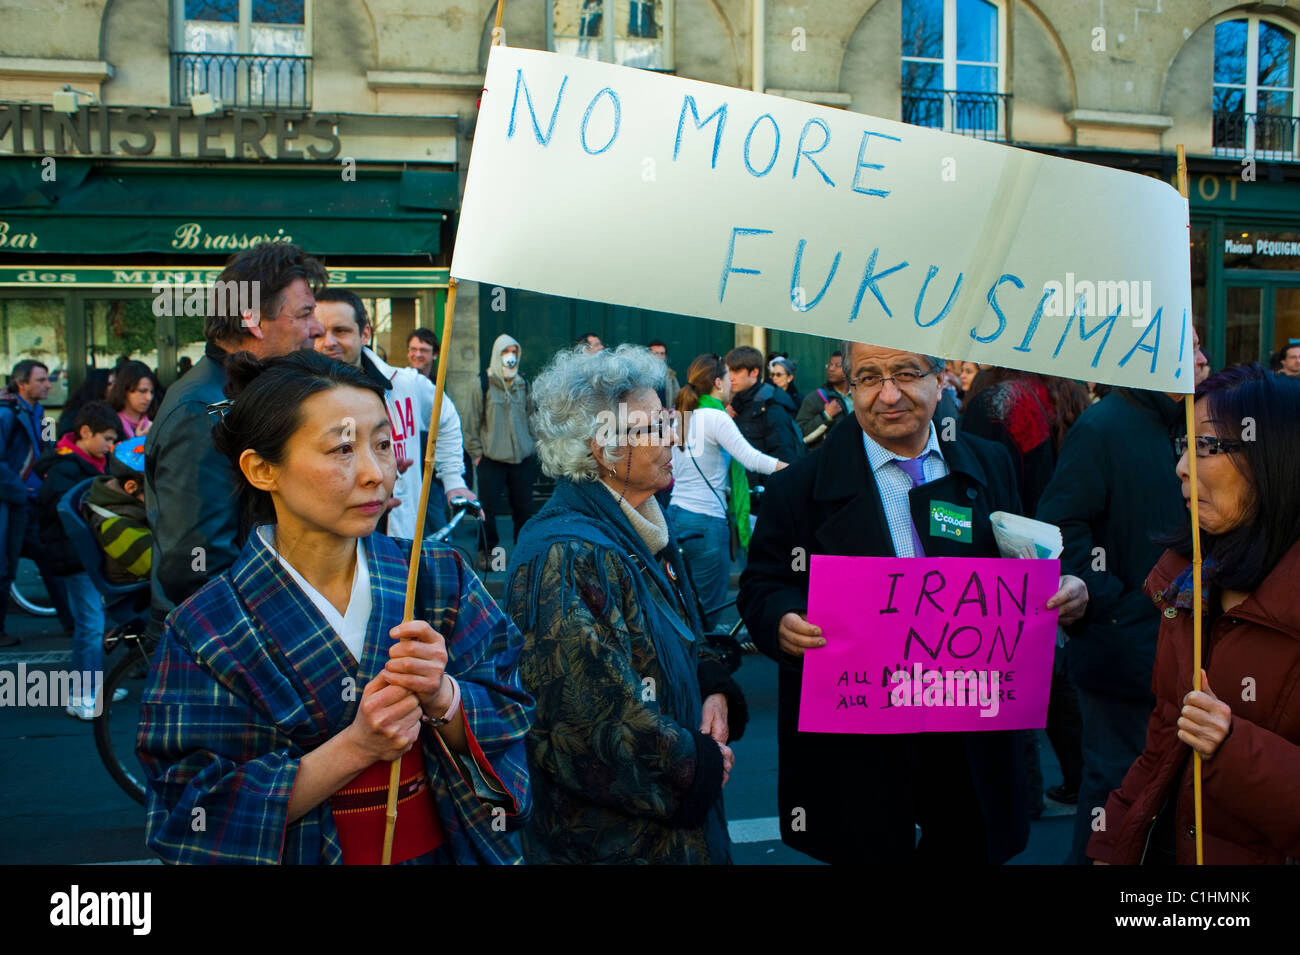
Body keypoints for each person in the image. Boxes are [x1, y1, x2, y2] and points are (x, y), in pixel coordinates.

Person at [137, 350, 532, 864]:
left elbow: (512, 710)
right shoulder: (204, 628)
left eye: (385, 445)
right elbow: (189, 811)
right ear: (262, 469)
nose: (375, 473)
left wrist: (444, 697)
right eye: (342, 449)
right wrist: (357, 747)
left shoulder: (437, 576)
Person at [737, 340, 1088, 865]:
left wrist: (1066, 586)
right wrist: (782, 620)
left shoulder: (989, 465)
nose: (889, 394)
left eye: (906, 373)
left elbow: (1026, 559)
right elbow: (762, 585)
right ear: (849, 386)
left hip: (968, 727)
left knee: (969, 845)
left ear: (939, 378)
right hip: (864, 736)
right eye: (870, 378)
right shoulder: (800, 488)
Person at [505, 344, 745, 864]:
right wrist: (695, 765)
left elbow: (681, 638)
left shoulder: (646, 526)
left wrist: (712, 689)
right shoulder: (566, 554)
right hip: (612, 847)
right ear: (602, 448)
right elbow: (589, 725)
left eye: (668, 420)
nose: (673, 437)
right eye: (655, 427)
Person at [1089, 365, 1300, 865]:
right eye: (1182, 446)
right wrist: (1111, 841)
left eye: (1206, 447)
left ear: (1275, 459)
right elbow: (1164, 737)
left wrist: (1233, 747)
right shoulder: (1187, 583)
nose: (1182, 467)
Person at [144, 242, 326, 635]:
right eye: (305, 313)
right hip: (220, 640)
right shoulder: (202, 410)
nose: (318, 328)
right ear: (254, 321)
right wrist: (261, 636)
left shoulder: (241, 392)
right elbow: (196, 564)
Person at [314, 289, 475, 537]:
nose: (328, 342)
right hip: (331, 540)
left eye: (341, 331)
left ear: (365, 333)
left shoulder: (405, 385)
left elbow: (446, 416)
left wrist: (453, 480)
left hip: (398, 536)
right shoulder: (299, 398)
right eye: (318, 333)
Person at [669, 354, 786, 631]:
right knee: (706, 615)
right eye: (727, 377)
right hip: (707, 521)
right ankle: (701, 669)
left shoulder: (684, 417)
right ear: (718, 382)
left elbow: (675, 470)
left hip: (676, 516)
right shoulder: (716, 418)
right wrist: (796, 470)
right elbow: (752, 459)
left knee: (684, 607)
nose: (732, 383)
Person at [32, 400, 121, 720]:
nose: (111, 446)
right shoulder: (66, 469)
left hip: (83, 556)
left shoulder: (84, 463)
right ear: (86, 432)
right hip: (76, 557)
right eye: (108, 439)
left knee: (93, 622)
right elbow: (68, 517)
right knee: (90, 624)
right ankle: (81, 694)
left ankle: (94, 687)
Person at [0, 359, 76, 647]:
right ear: (22, 383)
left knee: (47, 558)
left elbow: (46, 449)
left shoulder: (40, 412)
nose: (48, 385)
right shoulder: (7, 414)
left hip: (29, 501)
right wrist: (19, 491)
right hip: (14, 502)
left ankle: (70, 622)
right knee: (6, 566)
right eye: (41, 380)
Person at [464, 334, 536, 567]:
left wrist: (533, 444)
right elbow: (471, 422)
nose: (511, 356)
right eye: (506, 352)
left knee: (524, 508)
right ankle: (487, 552)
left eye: (514, 351)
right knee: (487, 510)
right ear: (498, 354)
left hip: (521, 459)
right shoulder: (483, 383)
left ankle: (525, 553)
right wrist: (476, 454)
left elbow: (532, 417)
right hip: (491, 459)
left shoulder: (523, 384)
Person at [961, 368, 1055, 518]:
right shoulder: (1039, 389)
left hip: (1002, 519)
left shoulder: (994, 400)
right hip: (1033, 516)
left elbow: (969, 471)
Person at [724, 346, 800, 524]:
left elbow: (784, 456)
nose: (731, 377)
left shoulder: (772, 407)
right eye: (728, 371)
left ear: (754, 372)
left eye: (737, 370)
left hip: (764, 507)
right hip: (739, 501)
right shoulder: (735, 405)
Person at [85, 437, 152, 585]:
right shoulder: (116, 525)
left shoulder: (129, 502)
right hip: (143, 596)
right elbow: (164, 570)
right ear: (131, 487)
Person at [795, 350, 851, 451]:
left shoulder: (859, 396)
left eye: (837, 365)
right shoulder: (815, 398)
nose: (831, 369)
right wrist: (826, 416)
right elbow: (801, 435)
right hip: (828, 461)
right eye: (829, 365)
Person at [107, 360, 157, 439]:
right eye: (142, 391)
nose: (149, 398)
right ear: (125, 391)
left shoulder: (156, 421)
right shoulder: (110, 424)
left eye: (151, 392)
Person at [56, 369, 113, 437]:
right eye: (110, 384)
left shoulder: (109, 407)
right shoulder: (77, 409)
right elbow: (66, 435)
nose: (115, 387)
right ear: (98, 385)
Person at [648, 339, 680, 409]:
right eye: (655, 353)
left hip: (666, 417)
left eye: (662, 353)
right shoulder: (641, 375)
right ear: (648, 355)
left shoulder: (671, 375)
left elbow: (678, 397)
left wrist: (673, 410)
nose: (659, 356)